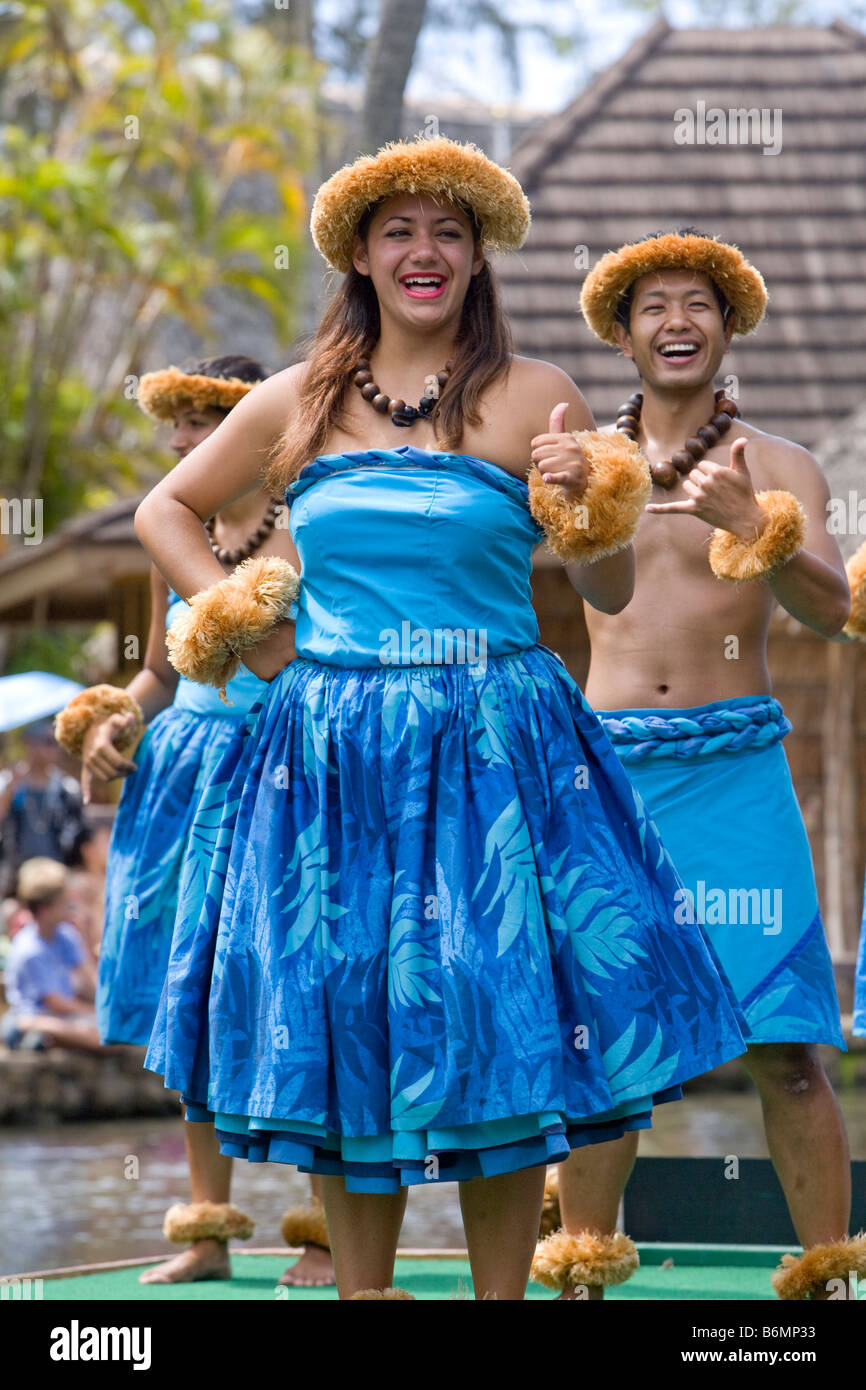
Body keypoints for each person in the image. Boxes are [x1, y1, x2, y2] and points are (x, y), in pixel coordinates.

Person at [135, 135, 748, 1301]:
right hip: (332, 751)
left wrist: (582, 509)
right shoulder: (297, 400)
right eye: (399, 232)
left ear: (476, 256)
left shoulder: (538, 397)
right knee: (351, 1008)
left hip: (495, 742)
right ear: (360, 255)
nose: (425, 251)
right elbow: (165, 507)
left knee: (496, 1008)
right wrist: (249, 626)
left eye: (448, 231)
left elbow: (607, 594)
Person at [532, 227, 864, 1301]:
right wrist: (580, 505)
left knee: (785, 1041)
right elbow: (604, 599)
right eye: (653, 307)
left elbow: (832, 614)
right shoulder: (587, 452)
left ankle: (820, 1274)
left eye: (696, 305)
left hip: (735, 771)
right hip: (616, 774)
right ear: (622, 337)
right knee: (606, 1026)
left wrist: (756, 528)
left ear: (726, 329)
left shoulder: (782, 466)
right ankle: (580, 1266)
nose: (676, 321)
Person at [54, 356, 333, 1288]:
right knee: (193, 1005)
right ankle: (207, 1234)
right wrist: (119, 715)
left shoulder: (310, 530)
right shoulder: (177, 529)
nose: (180, 443)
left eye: (204, 423)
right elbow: (163, 670)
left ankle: (325, 1233)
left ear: (262, 430)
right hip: (184, 779)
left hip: (278, 775)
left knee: (301, 991)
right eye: (175, 424)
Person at [1, 857, 108, 1052]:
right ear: (45, 910)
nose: (68, 907)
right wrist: (96, 1013)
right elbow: (56, 1003)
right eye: (63, 903)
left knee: (115, 1031)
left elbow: (88, 977)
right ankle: (31, 1028)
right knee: (103, 1037)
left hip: (64, 1013)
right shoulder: (29, 949)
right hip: (41, 1013)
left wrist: (105, 1004)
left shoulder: (65, 934)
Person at [0, 720, 86, 896]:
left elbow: (80, 836)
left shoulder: (67, 788)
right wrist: (8, 792)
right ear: (29, 743)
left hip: (57, 880)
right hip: (14, 882)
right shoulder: (7, 784)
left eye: (56, 742)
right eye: (48, 741)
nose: (55, 748)